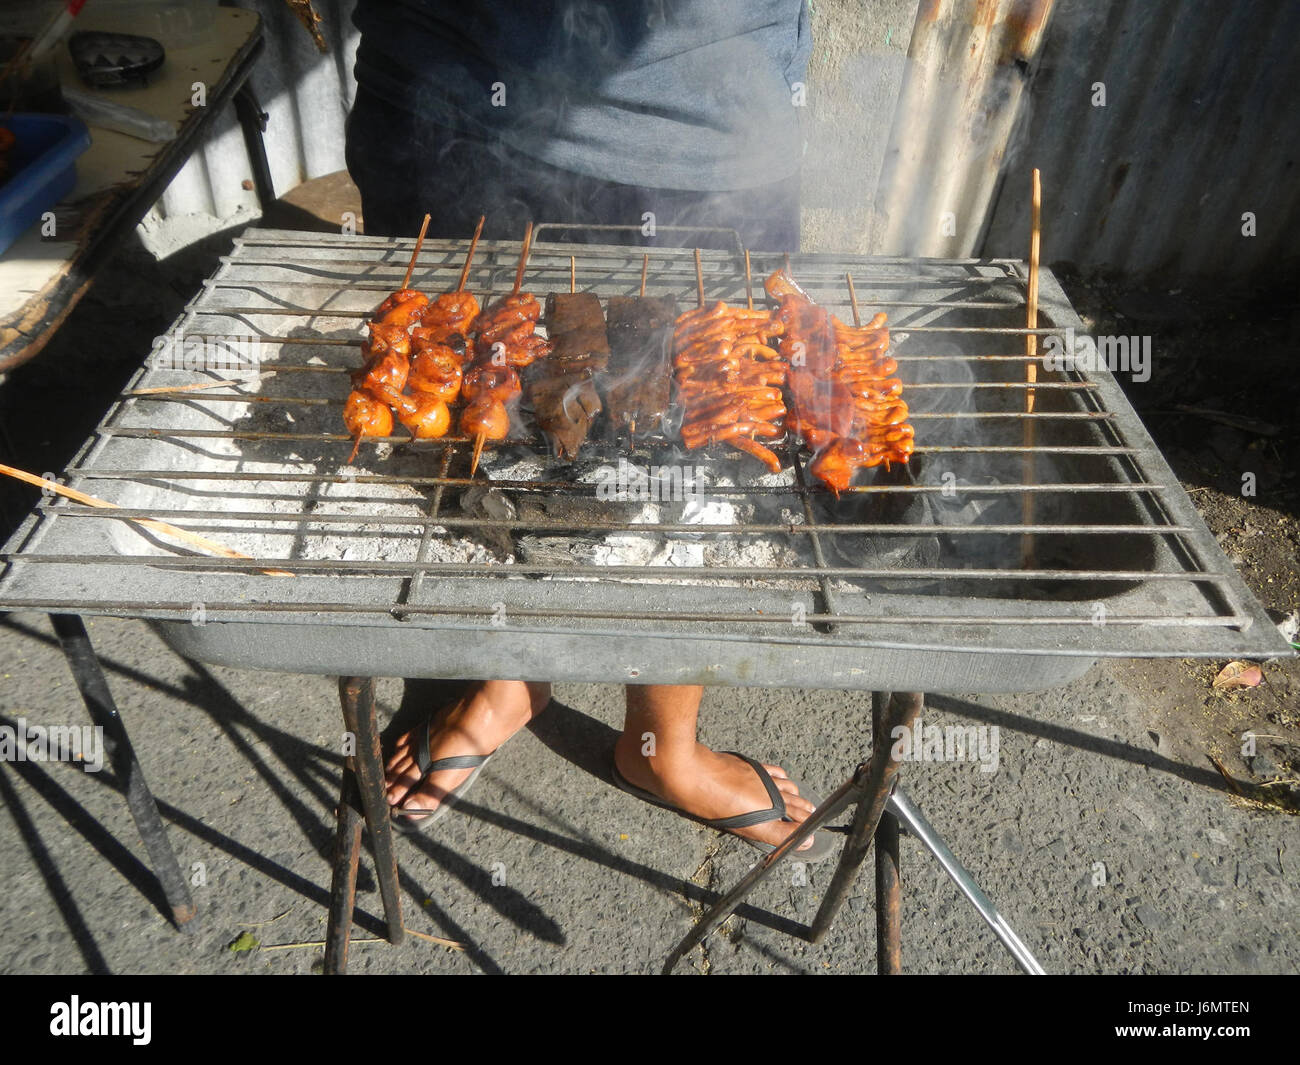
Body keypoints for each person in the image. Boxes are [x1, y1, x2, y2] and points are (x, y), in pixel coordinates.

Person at [347, 0, 832, 858]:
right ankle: (510, 674)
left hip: (701, 111)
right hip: (445, 83)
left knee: (693, 488)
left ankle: (659, 743)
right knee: (482, 450)